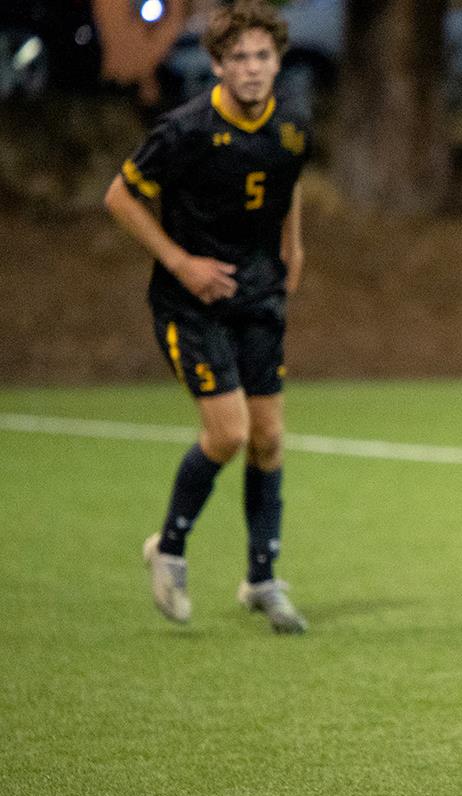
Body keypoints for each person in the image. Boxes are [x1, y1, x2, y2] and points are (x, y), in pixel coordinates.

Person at [104, 2, 310, 634]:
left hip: (257, 294)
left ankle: (262, 579)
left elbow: (286, 180)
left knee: (269, 438)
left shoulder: (293, 125)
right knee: (228, 433)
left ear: (277, 62)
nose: (252, 69)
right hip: (189, 302)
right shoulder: (186, 130)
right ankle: (168, 549)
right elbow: (120, 196)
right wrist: (180, 261)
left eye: (262, 57)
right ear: (218, 66)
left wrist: (294, 246)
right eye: (239, 58)